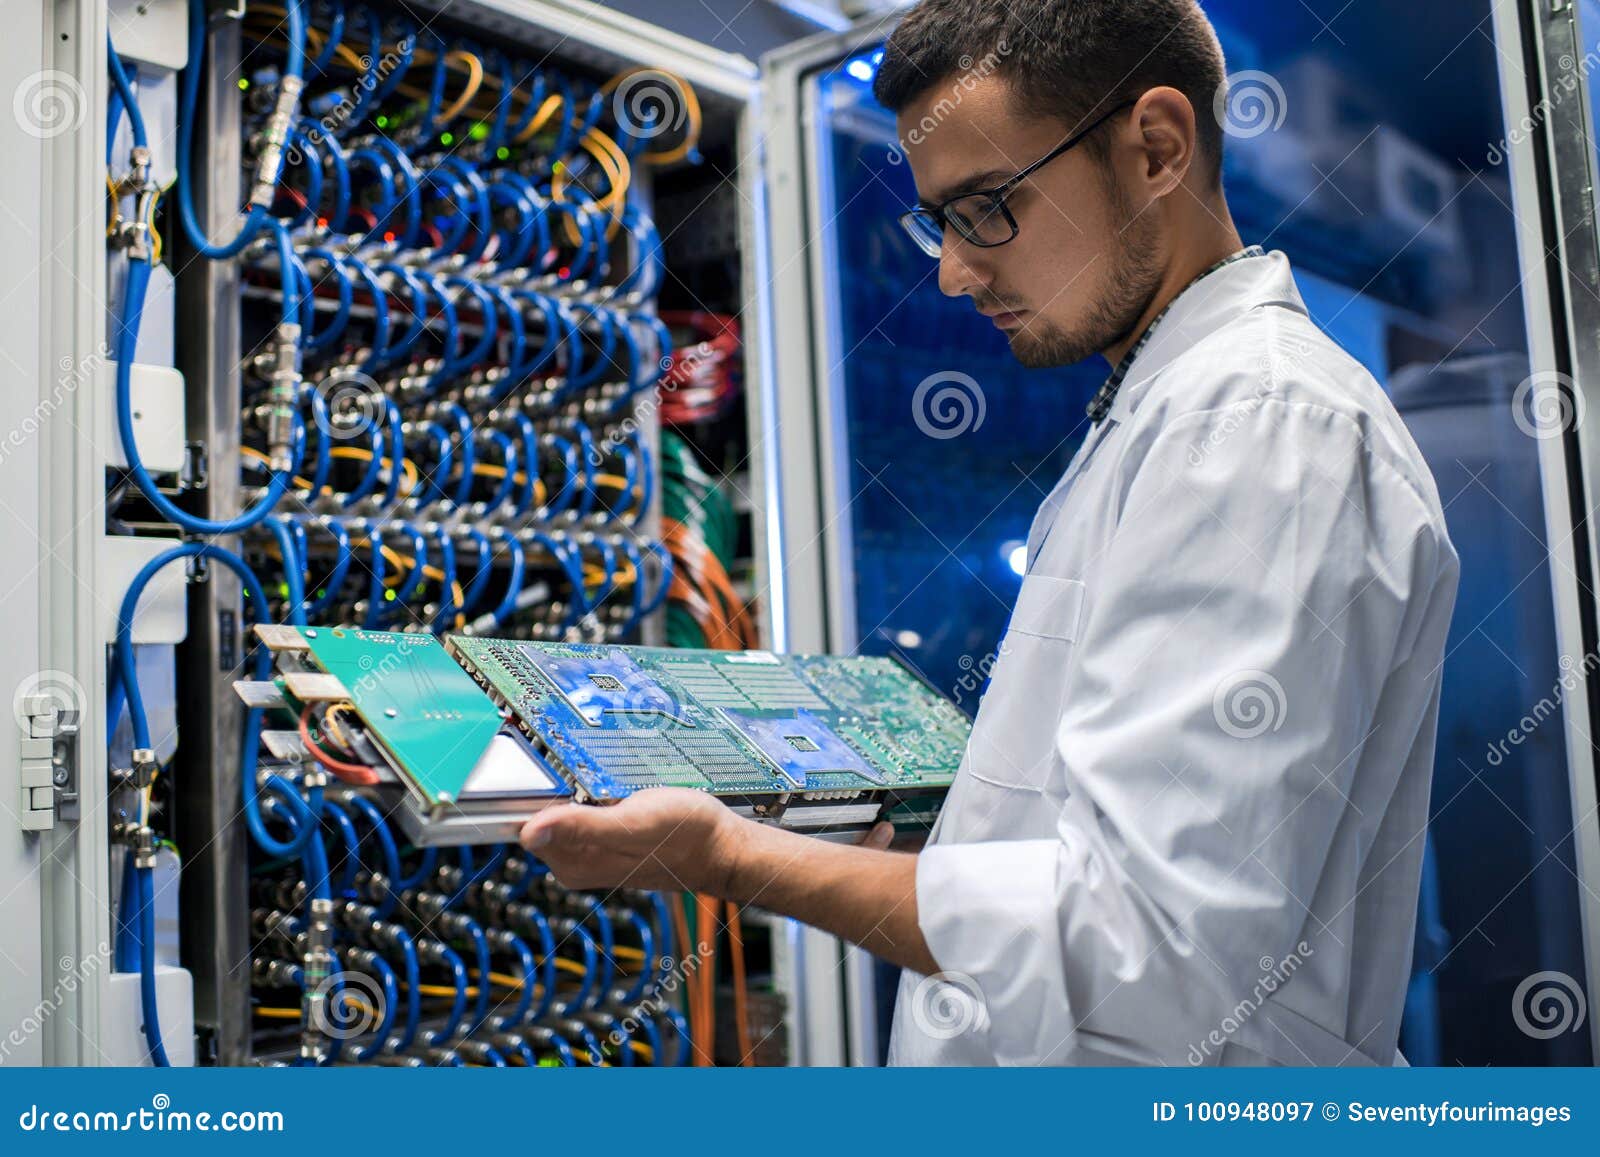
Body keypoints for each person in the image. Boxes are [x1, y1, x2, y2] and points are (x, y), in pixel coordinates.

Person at [519, 0, 1459, 1067]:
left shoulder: (1260, 426)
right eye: (939, 222)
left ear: (1155, 147)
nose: (954, 274)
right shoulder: (1166, 411)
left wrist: (734, 855)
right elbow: (1109, 852)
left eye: (984, 209)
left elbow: (1148, 948)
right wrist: (941, 847)